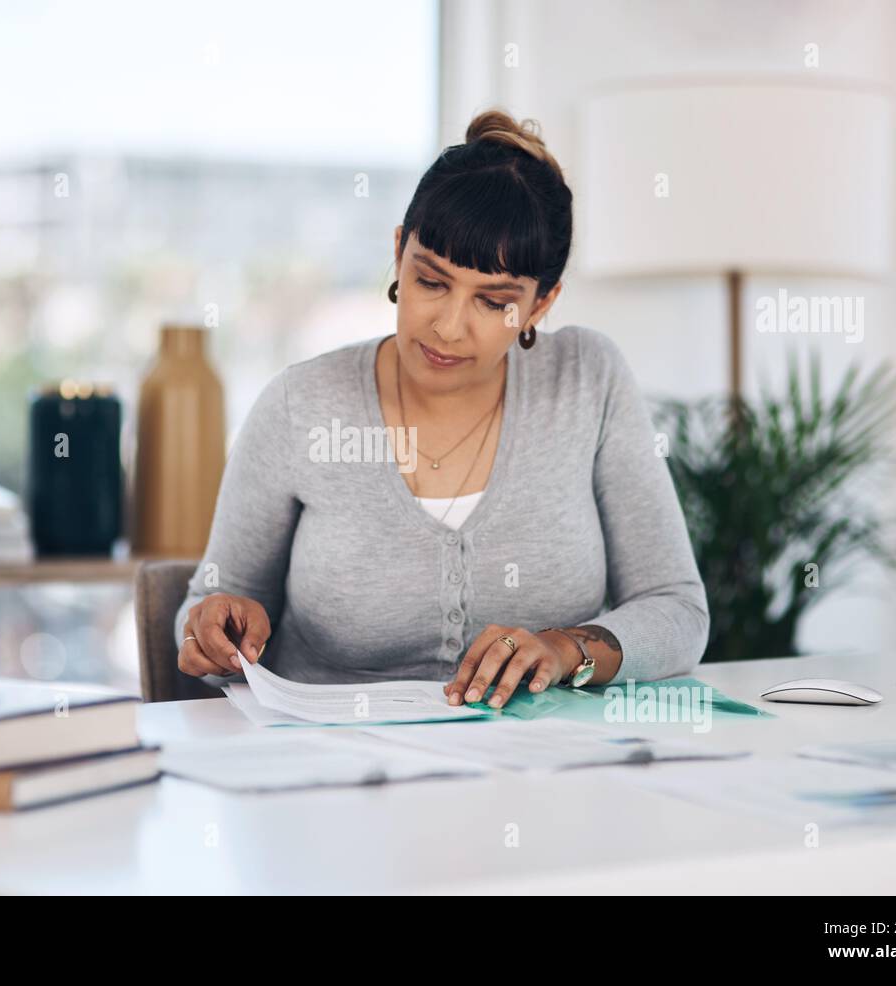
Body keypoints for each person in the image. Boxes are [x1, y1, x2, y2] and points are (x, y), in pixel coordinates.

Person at [175, 109, 708, 709]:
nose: (449, 327)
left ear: (541, 304)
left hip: (539, 758)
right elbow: (204, 611)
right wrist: (212, 629)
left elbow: (677, 609)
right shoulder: (301, 404)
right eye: (431, 282)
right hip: (335, 755)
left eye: (494, 302)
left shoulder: (588, 378)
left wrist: (566, 649)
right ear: (398, 252)